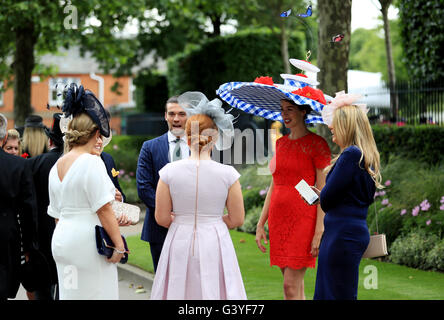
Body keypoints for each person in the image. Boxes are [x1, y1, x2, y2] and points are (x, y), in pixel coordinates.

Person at [150, 91, 246, 300]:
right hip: (215, 238)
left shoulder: (168, 172)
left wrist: (184, 220)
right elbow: (237, 218)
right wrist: (212, 221)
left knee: (179, 290)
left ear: (186, 136)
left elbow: (162, 218)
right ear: (216, 137)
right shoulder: (228, 175)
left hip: (179, 237)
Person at [47, 84, 129, 300]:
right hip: (88, 242)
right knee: (98, 293)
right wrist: (119, 246)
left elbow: (56, 214)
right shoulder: (92, 163)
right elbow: (103, 209)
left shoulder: (57, 166)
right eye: (100, 134)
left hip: (62, 239)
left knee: (70, 294)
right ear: (94, 133)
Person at [255, 99, 331, 300]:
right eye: (282, 110)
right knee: (295, 288)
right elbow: (274, 185)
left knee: (290, 286)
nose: (284, 114)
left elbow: (322, 190)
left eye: (290, 109)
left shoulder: (317, 144)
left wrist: (319, 230)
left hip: (303, 220)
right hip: (278, 220)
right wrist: (261, 223)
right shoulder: (280, 144)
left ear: (303, 111)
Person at [313, 91, 383, 300]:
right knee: (338, 290)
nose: (330, 129)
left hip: (342, 234)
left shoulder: (351, 155)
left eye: (334, 127)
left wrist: (322, 195)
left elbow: (327, 199)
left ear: (346, 127)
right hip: (349, 231)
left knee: (335, 293)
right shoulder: (364, 157)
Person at [137, 96, 190, 272]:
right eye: (172, 114)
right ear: (165, 116)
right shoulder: (149, 147)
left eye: (182, 114)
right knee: (163, 283)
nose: (176, 119)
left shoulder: (199, 147)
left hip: (191, 227)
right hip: (159, 229)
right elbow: (144, 187)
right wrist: (166, 213)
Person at [27, 113, 65, 300]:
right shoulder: (80, 164)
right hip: (68, 234)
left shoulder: (34, 164)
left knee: (43, 290)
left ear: (50, 142)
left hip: (41, 237)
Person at [0, 113, 37, 300]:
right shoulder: (18, 165)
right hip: (6, 234)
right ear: (4, 138)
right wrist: (28, 244)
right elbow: (28, 209)